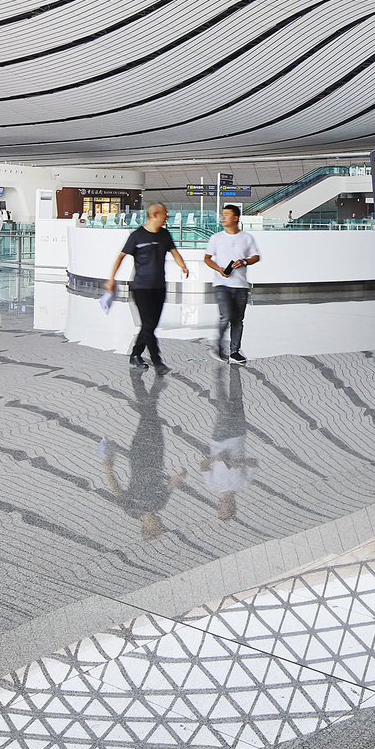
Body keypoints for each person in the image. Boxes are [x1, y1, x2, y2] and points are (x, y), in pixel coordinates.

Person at [100, 368, 183, 539]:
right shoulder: (159, 505)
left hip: (138, 457)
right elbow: (169, 486)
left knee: (149, 415)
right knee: (150, 415)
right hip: (157, 455)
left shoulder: (131, 509)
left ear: (146, 527)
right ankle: (151, 385)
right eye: (160, 525)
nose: (160, 523)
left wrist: (108, 469)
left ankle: (140, 378)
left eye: (157, 527)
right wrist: (179, 477)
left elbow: (116, 490)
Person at [107, 202, 189, 370]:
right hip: (141, 287)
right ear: (155, 215)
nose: (167, 217)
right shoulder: (137, 236)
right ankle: (157, 362)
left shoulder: (165, 235)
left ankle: (135, 354)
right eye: (165, 214)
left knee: (149, 326)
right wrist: (112, 278)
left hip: (159, 287)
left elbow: (174, 252)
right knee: (149, 325)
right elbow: (120, 257)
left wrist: (183, 266)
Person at [203, 204, 260, 364]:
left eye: (227, 214)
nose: (223, 217)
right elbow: (207, 258)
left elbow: (256, 256)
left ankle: (234, 352)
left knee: (238, 320)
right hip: (222, 284)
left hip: (241, 285)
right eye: (223, 214)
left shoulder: (247, 238)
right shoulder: (216, 238)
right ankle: (217, 345)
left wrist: (244, 262)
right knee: (226, 315)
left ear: (235, 218)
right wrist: (219, 269)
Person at [199, 364, 257, 520]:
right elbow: (254, 463)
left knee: (224, 409)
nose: (220, 505)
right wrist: (239, 462)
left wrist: (216, 458)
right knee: (237, 402)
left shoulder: (213, 485)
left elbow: (203, 465)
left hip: (219, 440)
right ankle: (234, 369)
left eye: (219, 508)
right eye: (223, 508)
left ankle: (218, 377)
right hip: (238, 437)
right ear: (232, 506)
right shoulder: (242, 485)